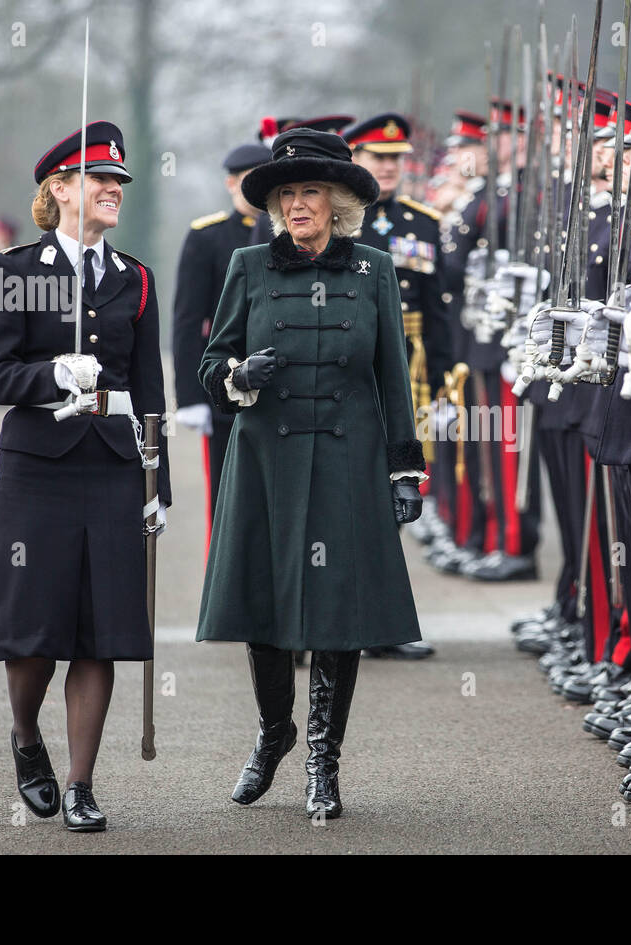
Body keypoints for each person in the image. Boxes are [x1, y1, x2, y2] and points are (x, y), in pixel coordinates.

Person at [195, 128, 427, 819]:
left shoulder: (374, 270)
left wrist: (403, 469)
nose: (297, 204)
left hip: (348, 458)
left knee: (337, 616)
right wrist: (237, 376)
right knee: (262, 609)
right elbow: (212, 363)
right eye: (287, 193)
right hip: (267, 454)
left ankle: (323, 761)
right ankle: (274, 732)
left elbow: (393, 378)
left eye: (310, 193)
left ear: (338, 203)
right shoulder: (248, 265)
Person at [0, 121, 170, 832]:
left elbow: (150, 391)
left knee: (100, 631)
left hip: (114, 468)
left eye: (119, 181)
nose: (114, 189)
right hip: (37, 469)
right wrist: (52, 373)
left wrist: (160, 487)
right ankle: (28, 737)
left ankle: (83, 783)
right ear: (59, 189)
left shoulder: (136, 280)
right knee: (32, 632)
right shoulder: (17, 272)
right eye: (99, 179)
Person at [345, 112, 454, 656]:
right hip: (354, 359)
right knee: (354, 488)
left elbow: (439, 313)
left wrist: (443, 384)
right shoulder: (338, 219)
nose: (388, 168)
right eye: (377, 158)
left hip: (408, 366)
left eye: (395, 159)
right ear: (356, 160)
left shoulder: (425, 221)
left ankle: (382, 616)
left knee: (400, 486)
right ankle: (351, 613)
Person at [172, 142, 272, 544]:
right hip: (225, 382)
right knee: (227, 498)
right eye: (249, 181)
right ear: (231, 183)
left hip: (277, 382)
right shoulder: (207, 236)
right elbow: (187, 319)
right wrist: (190, 395)